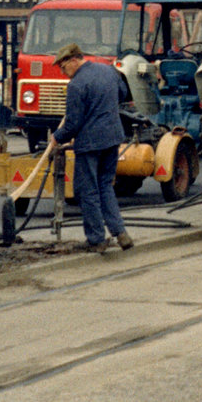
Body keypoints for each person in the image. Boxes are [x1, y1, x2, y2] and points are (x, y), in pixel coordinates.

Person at [43, 43, 133, 253]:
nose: (64, 73)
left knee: (88, 190)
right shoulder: (108, 71)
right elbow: (123, 93)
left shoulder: (77, 85)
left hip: (90, 143)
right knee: (105, 186)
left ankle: (96, 239)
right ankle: (120, 233)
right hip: (112, 138)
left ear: (74, 60)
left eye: (64, 68)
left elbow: (73, 123)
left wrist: (57, 137)